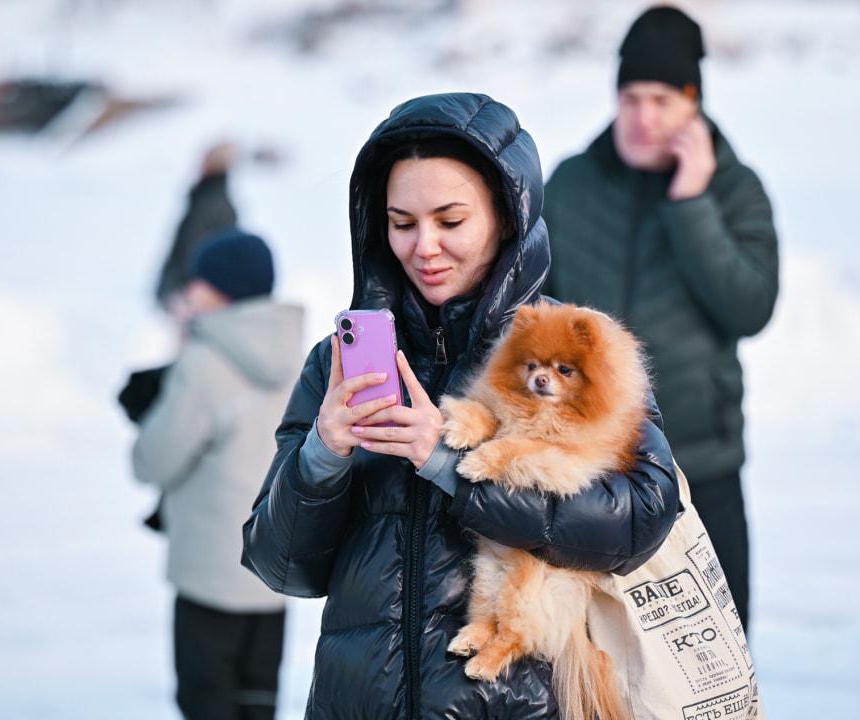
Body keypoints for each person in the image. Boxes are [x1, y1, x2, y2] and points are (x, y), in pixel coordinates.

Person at [241, 92, 680, 718]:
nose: (424, 247)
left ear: (506, 216)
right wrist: (323, 454)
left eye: (450, 221)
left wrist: (448, 462)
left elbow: (639, 519)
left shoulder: (565, 350)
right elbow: (280, 565)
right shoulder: (338, 364)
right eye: (401, 223)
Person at [541, 5, 779, 630]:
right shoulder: (570, 184)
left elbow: (751, 306)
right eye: (631, 98)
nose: (644, 118)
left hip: (702, 468)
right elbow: (532, 315)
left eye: (663, 100)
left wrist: (692, 201)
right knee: (596, 669)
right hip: (591, 471)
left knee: (715, 660)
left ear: (693, 106)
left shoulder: (734, 189)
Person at [132, 229, 304, 720]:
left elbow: (153, 460)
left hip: (209, 576)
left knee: (206, 702)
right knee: (256, 702)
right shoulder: (297, 356)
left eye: (201, 282)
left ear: (224, 290)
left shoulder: (204, 360)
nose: (190, 290)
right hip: (271, 569)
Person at [156, 143, 241, 325]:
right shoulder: (205, 199)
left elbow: (198, 253)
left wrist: (189, 296)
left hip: (191, 298)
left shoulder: (212, 204)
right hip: (188, 293)